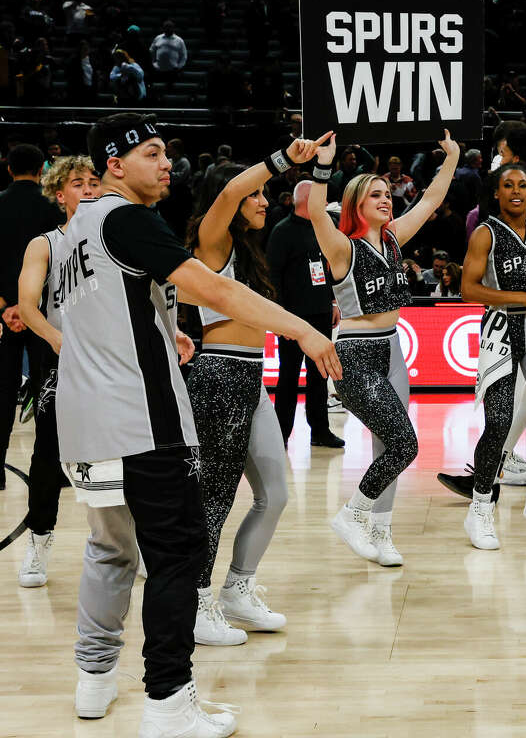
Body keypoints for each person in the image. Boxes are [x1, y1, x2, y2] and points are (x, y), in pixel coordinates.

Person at [60, 112, 339, 735]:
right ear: (114, 163)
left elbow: (101, 312)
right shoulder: (130, 219)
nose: (167, 165)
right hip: (141, 420)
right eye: (154, 154)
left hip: (83, 424)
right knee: (177, 554)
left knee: (109, 551)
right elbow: (217, 292)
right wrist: (304, 329)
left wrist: (168, 332)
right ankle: (168, 702)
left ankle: (95, 679)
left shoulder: (76, 227)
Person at [184, 133, 328, 647]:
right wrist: (283, 160)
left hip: (253, 379)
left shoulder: (248, 250)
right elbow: (226, 198)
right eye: (256, 194)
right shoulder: (212, 240)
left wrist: (322, 169)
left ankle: (236, 592)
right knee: (215, 499)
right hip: (219, 374)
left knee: (276, 494)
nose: (265, 200)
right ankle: (195, 605)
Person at [302, 132, 458, 566]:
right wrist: (323, 166)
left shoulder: (391, 240)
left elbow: (428, 203)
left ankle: (381, 531)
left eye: (387, 193)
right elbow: (316, 211)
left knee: (389, 445)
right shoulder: (341, 247)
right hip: (355, 355)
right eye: (375, 195)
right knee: (404, 444)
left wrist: (453, 160)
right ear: (356, 203)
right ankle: (353, 514)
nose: (386, 199)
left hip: (393, 350)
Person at [454, 161, 526, 549]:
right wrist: (520, 296)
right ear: (497, 193)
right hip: (501, 327)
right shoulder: (485, 233)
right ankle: (480, 507)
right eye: (509, 185)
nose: (517, 190)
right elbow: (469, 289)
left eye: (524, 184)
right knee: (499, 422)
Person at [14, 155, 98, 587]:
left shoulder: (116, 237)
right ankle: (39, 540)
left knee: (125, 454)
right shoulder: (44, 243)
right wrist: (56, 338)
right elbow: (28, 305)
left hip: (109, 360)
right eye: (77, 182)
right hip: (61, 360)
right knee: (48, 455)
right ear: (59, 193)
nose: (87, 188)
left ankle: (130, 541)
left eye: (92, 181)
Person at [0, 143, 60, 491]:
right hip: (44, 314)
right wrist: (29, 308)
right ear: (42, 171)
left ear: (8, 169)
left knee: (2, 392)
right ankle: (50, 470)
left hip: (4, 314)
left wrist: (8, 306)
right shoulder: (52, 207)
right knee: (47, 392)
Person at [267, 180, 344, 448]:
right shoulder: (282, 231)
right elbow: (273, 276)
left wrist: (333, 303)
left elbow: (332, 266)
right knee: (288, 376)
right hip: (293, 319)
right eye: (319, 199)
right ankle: (281, 435)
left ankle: (320, 431)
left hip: (321, 313)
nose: (324, 203)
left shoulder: (324, 228)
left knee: (319, 375)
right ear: (305, 201)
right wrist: (280, 317)